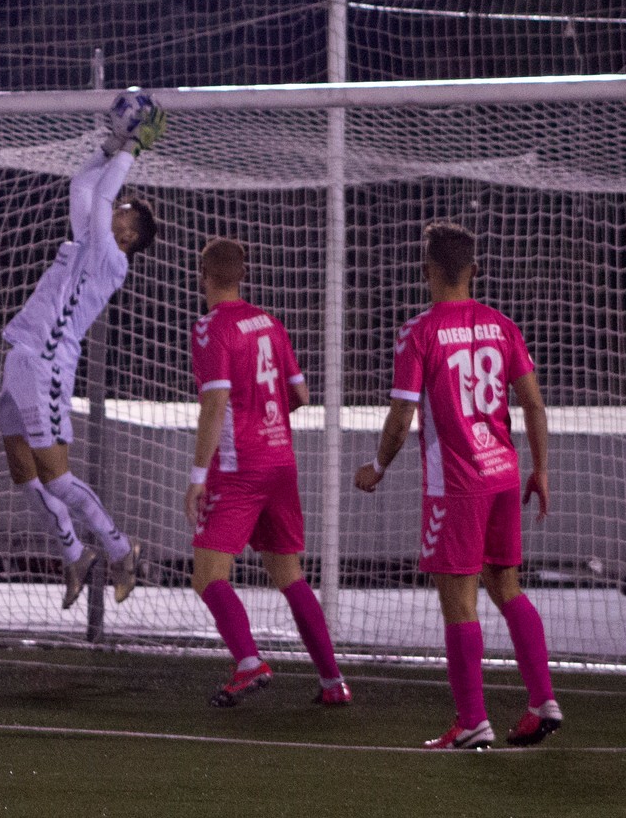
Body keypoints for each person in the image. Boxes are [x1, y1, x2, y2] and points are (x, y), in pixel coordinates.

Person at [355, 221, 561, 750]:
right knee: (507, 589)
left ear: (426, 270)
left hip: (458, 485)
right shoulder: (501, 324)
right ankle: (542, 700)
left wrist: (377, 468)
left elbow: (402, 416)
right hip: (503, 475)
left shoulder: (419, 332)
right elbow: (534, 403)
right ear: (473, 270)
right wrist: (539, 469)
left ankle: (472, 721)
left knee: (459, 603)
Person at [0, 92, 163, 609]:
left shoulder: (113, 261)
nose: (115, 211)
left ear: (130, 235)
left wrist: (132, 148)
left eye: (123, 213)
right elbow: (82, 186)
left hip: (46, 365)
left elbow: (99, 198)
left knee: (58, 475)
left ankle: (120, 548)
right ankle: (74, 554)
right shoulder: (89, 243)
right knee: (20, 467)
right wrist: (108, 145)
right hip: (19, 352)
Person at [185, 238, 350, 708]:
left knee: (207, 575)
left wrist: (199, 475)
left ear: (205, 276)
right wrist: (266, 417)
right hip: (281, 462)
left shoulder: (210, 328)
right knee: (290, 576)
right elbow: (299, 395)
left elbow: (215, 403)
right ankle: (332, 681)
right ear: (243, 274)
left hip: (240, 468)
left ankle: (248, 663)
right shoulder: (271, 324)